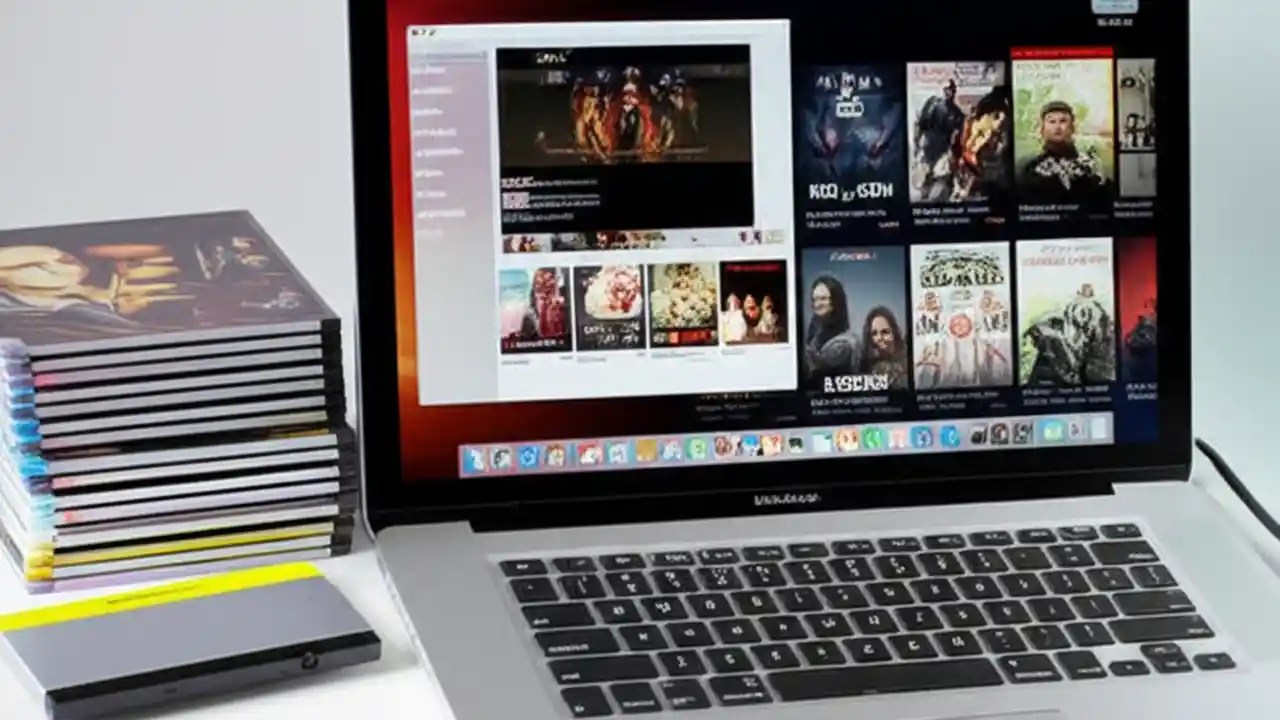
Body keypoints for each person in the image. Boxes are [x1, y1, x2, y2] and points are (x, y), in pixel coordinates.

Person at [1018, 100, 1112, 207]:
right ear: (1042, 129)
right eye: (1052, 121)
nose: (1057, 127)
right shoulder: (1030, 167)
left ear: (1072, 128)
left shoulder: (1090, 166)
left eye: (1063, 121)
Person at [804, 276, 858, 385]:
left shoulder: (843, 345)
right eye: (814, 299)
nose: (817, 304)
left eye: (823, 298)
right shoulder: (815, 333)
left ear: (835, 301)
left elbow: (818, 373)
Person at [858, 306, 909, 389]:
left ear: (894, 332)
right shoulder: (866, 364)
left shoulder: (908, 358)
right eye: (874, 333)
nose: (879, 338)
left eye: (885, 332)